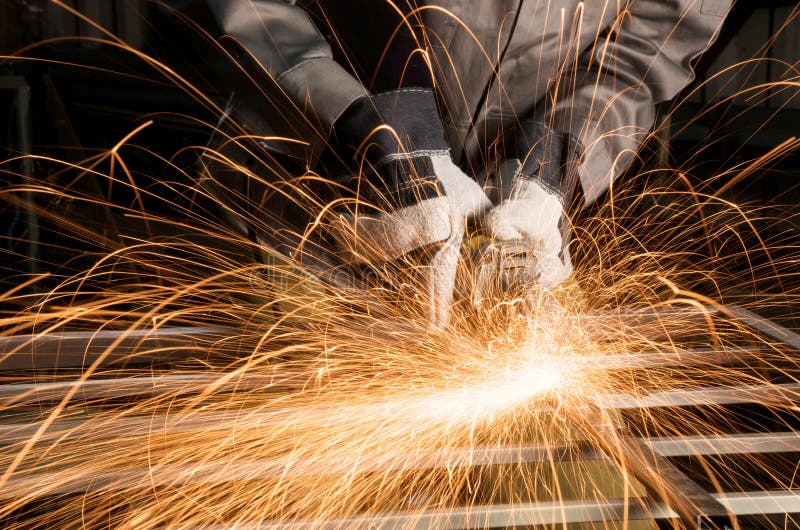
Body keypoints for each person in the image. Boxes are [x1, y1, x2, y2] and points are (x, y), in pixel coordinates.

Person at [165, 0, 731, 329]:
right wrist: (365, 129)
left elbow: (645, 47)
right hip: (305, 182)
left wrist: (552, 170)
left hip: (504, 212)